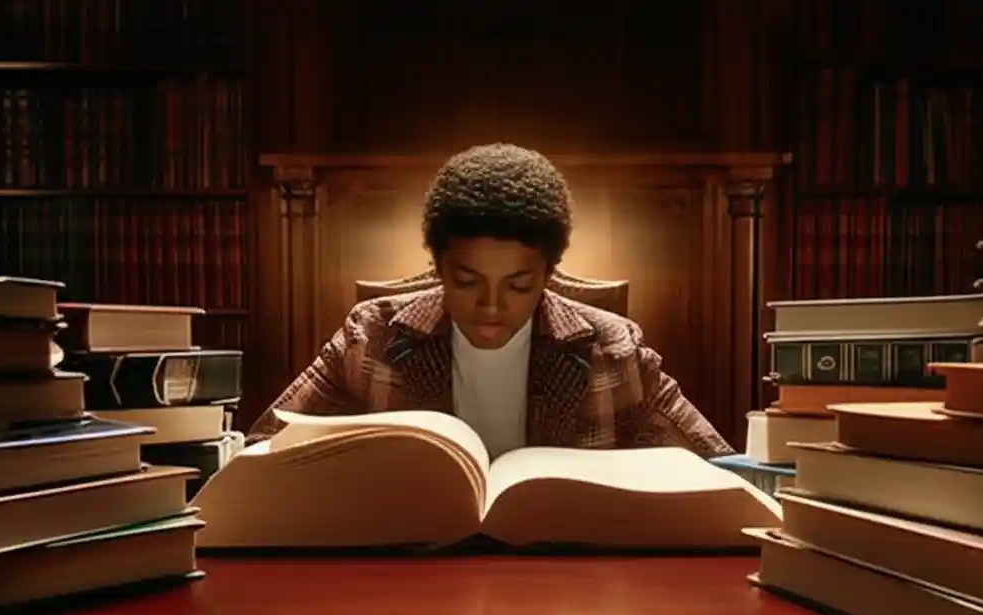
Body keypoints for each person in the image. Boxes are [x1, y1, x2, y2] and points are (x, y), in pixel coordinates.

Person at [247, 142, 734, 458]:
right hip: (410, 579)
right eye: (467, 280)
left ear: (548, 272)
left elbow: (719, 469)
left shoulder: (613, 351)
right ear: (437, 268)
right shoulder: (372, 339)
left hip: (570, 587)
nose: (492, 307)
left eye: (519, 285)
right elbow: (263, 453)